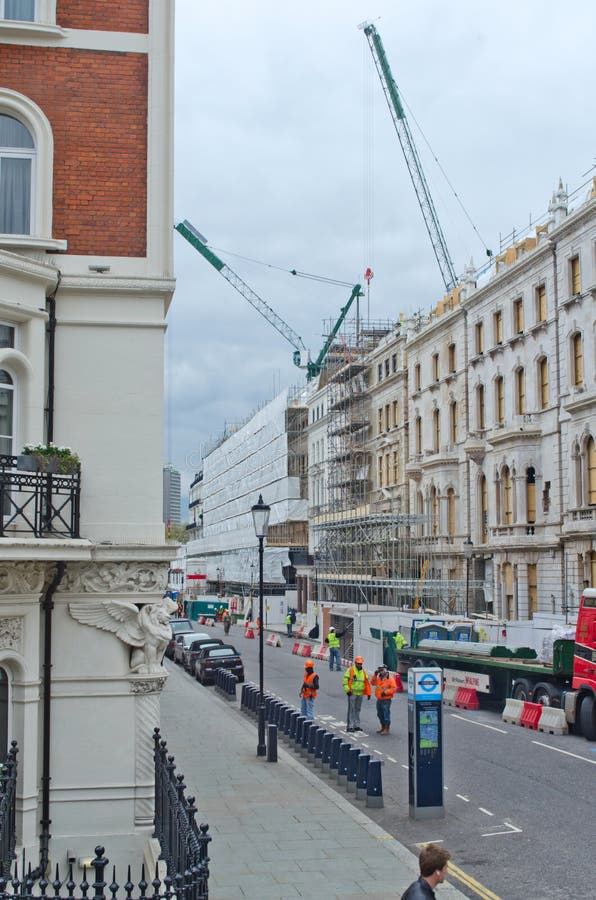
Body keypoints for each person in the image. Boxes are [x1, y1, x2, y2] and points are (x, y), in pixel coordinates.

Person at [342, 655, 371, 732]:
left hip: (360, 694)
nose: (359, 665)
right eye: (358, 663)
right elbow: (345, 681)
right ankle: (350, 726)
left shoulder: (363, 672)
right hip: (352, 693)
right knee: (351, 709)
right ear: (355, 663)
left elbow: (366, 683)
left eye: (361, 663)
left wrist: (368, 693)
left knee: (357, 709)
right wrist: (347, 690)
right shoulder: (350, 670)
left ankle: (356, 725)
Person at [370, 664, 398, 734]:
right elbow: (372, 683)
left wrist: (385, 692)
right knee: (379, 714)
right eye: (379, 670)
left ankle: (386, 728)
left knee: (386, 714)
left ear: (385, 670)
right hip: (379, 699)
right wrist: (375, 675)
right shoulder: (378, 678)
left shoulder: (390, 679)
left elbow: (394, 688)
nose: (381, 672)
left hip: (386, 699)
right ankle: (383, 727)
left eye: (382, 670)